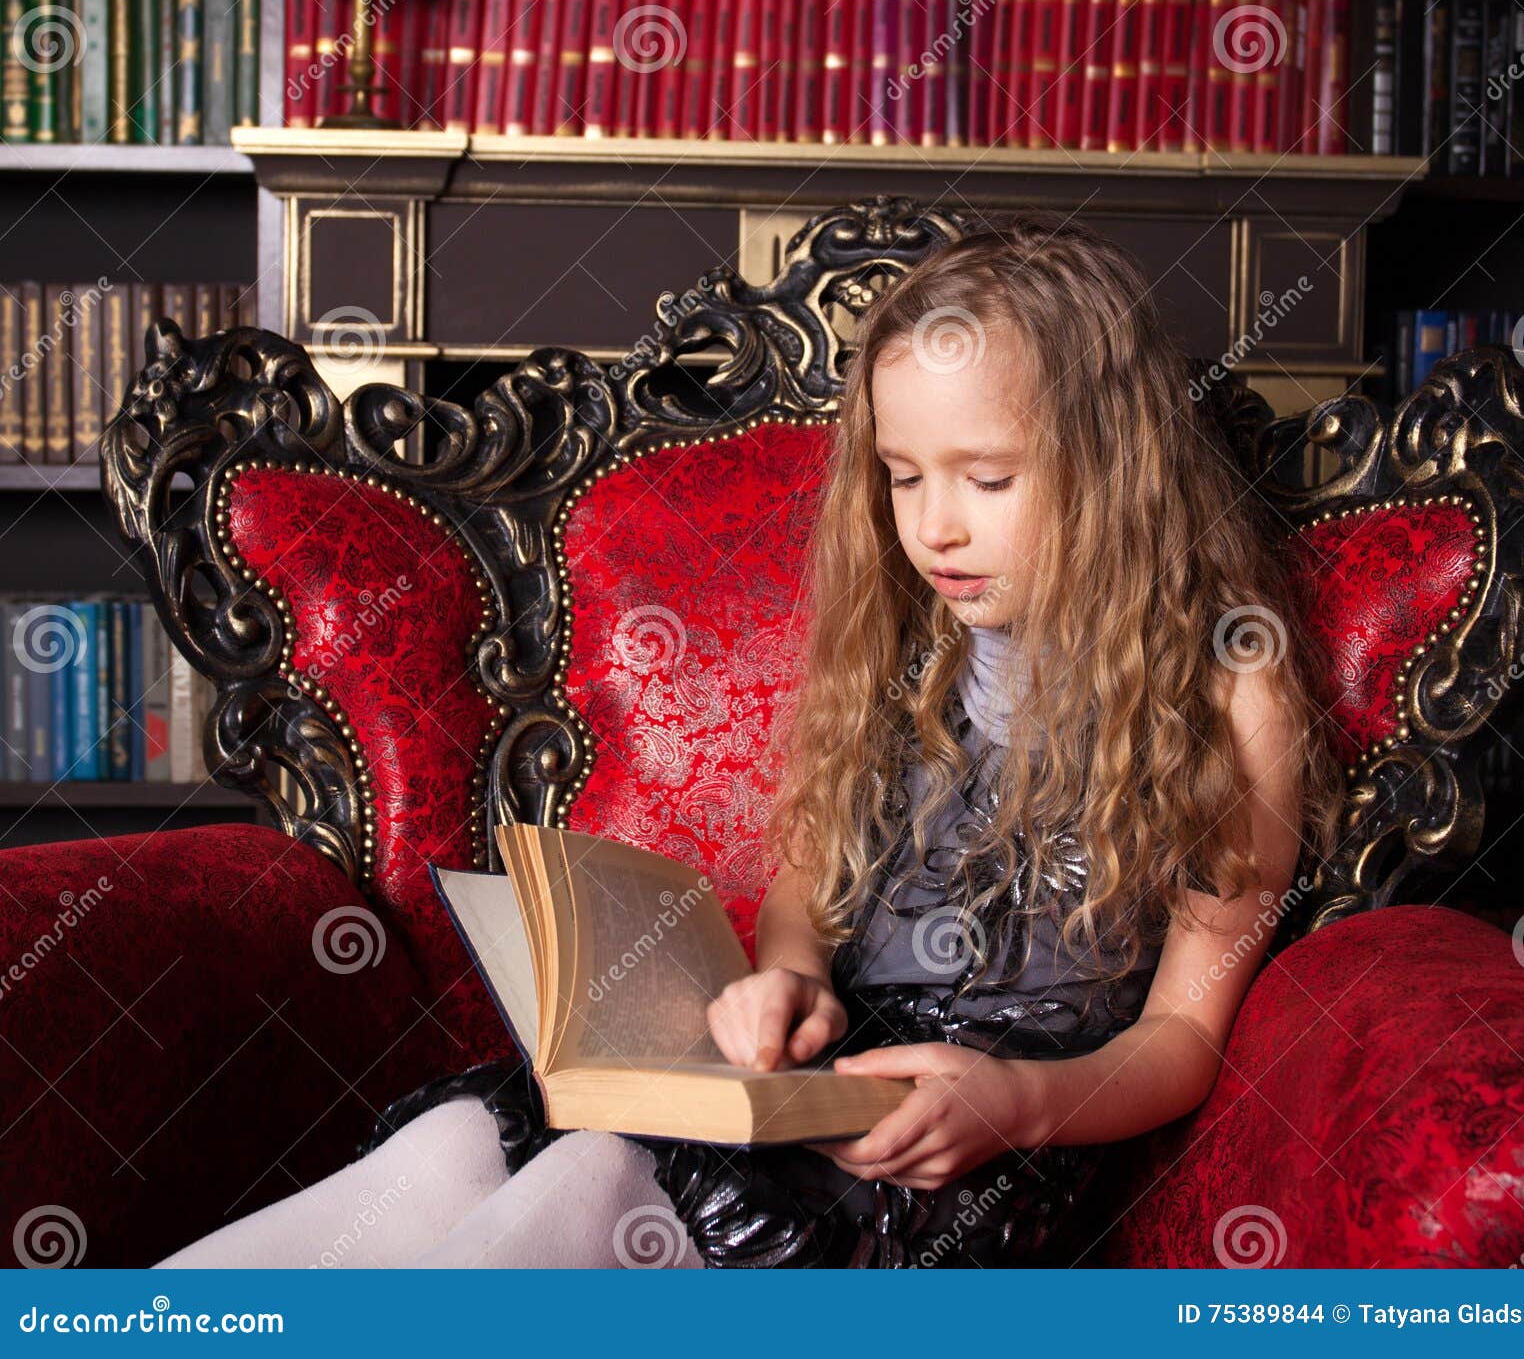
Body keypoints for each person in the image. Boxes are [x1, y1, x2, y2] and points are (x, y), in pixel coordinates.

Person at [154, 212, 1346, 1269]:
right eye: (900, 476)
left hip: (970, 1155)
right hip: (805, 1090)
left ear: (1114, 467)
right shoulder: (903, 656)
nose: (935, 525)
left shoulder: (1233, 694)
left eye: (988, 477)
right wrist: (791, 982)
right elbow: (803, 897)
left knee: (590, 1180)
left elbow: (1185, 1034)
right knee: (459, 1141)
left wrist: (1020, 1103)